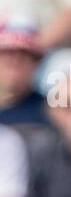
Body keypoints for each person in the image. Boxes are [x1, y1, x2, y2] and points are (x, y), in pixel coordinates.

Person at [0, 19, 48, 150]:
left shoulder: (50, 112)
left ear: (36, 62)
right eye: (7, 52)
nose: (14, 60)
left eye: (23, 54)